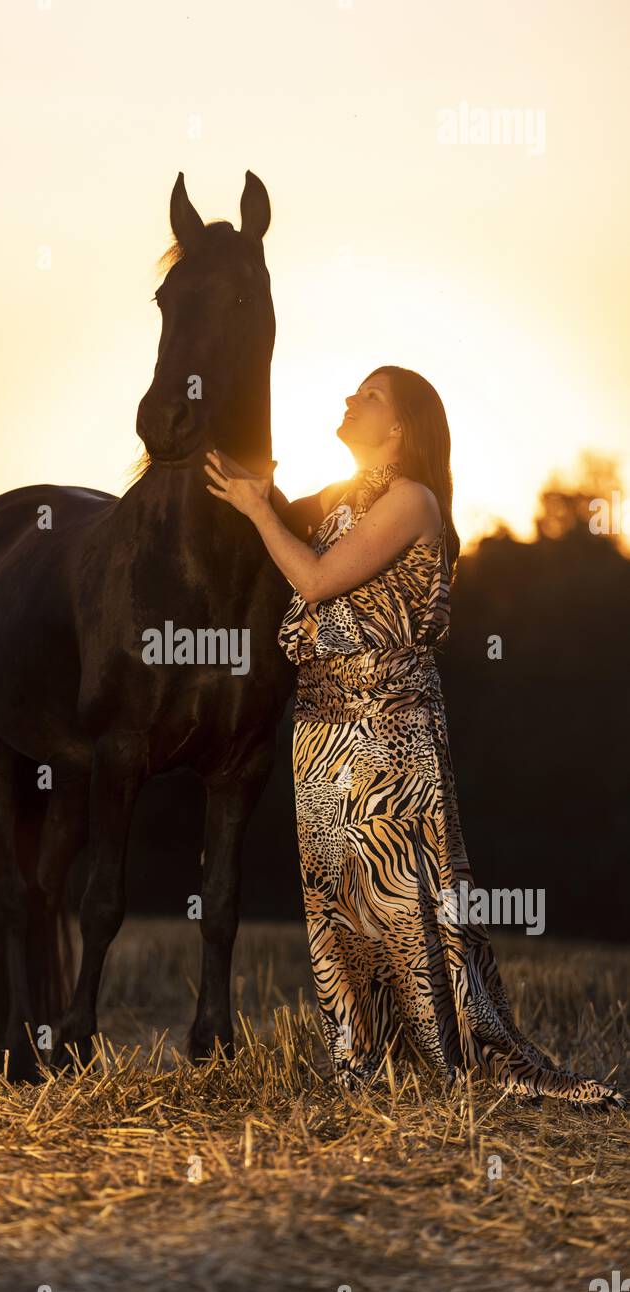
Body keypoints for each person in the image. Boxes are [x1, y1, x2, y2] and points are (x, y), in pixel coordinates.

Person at [204, 365, 624, 1109]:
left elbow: (316, 581)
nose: (346, 399)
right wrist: (255, 492)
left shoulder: (410, 500)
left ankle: (449, 1056)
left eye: (367, 395)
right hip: (322, 727)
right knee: (340, 905)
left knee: (406, 897)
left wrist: (256, 512)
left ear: (398, 427)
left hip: (384, 729)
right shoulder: (349, 500)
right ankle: (370, 1059)